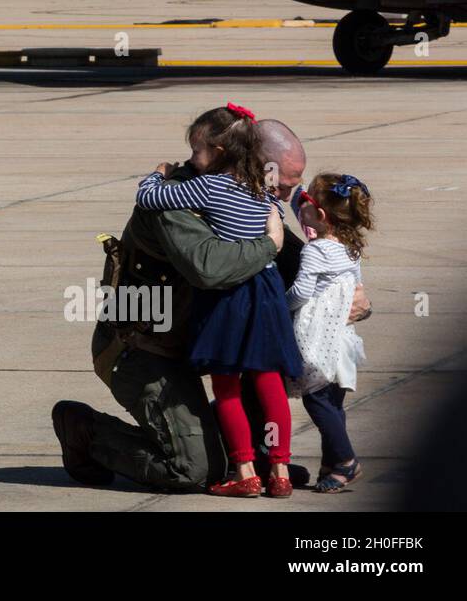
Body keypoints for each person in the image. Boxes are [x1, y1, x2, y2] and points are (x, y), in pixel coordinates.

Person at [52, 118, 368, 493]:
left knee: (260, 377)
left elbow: (305, 264)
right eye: (284, 184)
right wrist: (269, 245)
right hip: (145, 348)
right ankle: (85, 431)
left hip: (204, 341)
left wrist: (353, 297)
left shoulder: (250, 195)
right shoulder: (182, 200)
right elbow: (211, 269)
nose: (290, 194)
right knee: (195, 469)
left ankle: (262, 460)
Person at [134, 104, 303, 499]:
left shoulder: (209, 186)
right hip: (266, 292)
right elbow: (282, 246)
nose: (192, 159)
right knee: (269, 382)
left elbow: (150, 198)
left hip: (230, 297)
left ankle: (244, 470)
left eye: (197, 152)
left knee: (226, 387)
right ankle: (280, 470)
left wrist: (156, 175)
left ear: (220, 152)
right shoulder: (266, 194)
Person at [288, 173, 373, 494]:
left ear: (320, 216)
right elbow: (356, 288)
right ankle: (329, 463)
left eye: (306, 205)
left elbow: (301, 292)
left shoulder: (315, 251)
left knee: (317, 401)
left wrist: (279, 306)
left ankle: (346, 462)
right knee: (333, 402)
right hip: (342, 337)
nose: (301, 210)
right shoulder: (351, 248)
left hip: (318, 338)